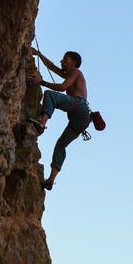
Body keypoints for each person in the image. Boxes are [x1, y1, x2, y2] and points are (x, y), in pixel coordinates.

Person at [27, 49, 91, 190]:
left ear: (74, 63)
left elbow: (62, 87)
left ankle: (42, 124)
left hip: (79, 106)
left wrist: (41, 82)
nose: (61, 61)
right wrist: (39, 54)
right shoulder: (69, 73)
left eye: (65, 59)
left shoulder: (76, 73)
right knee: (60, 145)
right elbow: (52, 67)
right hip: (82, 119)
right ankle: (50, 180)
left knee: (50, 95)